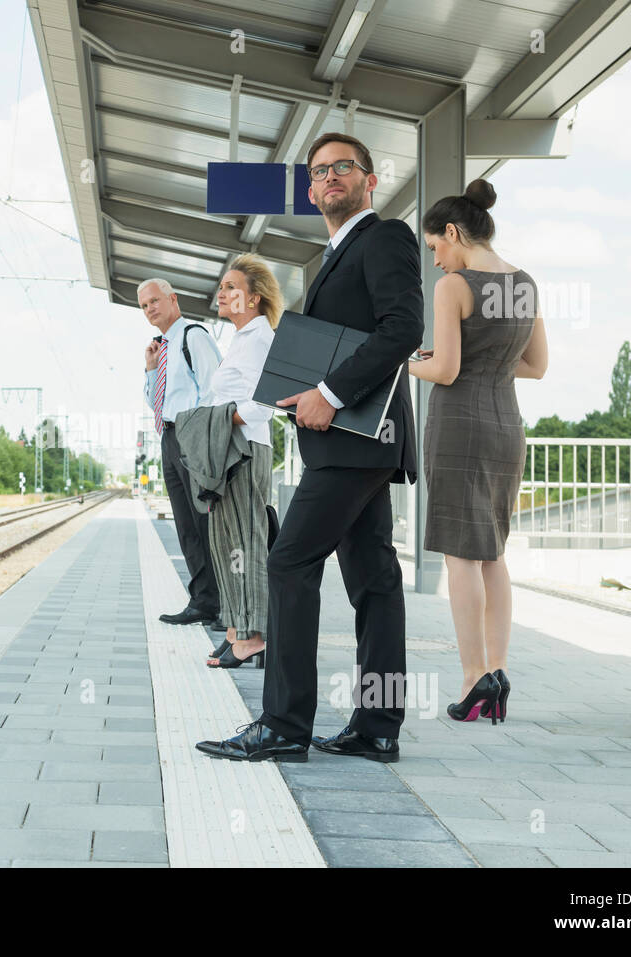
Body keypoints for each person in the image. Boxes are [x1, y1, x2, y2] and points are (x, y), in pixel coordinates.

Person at [197, 132, 422, 764]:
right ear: (310, 188)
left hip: (357, 440)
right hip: (354, 445)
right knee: (374, 582)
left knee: (289, 563)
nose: (328, 177)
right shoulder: (335, 253)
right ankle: (377, 727)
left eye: (342, 167)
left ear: (369, 180)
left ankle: (284, 723)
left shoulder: (385, 237)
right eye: (319, 171)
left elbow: (404, 328)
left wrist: (328, 391)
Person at [408, 178, 548, 725]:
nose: (436, 261)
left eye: (435, 248)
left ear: (452, 232)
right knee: (492, 552)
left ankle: (472, 679)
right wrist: (475, 360)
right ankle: (498, 670)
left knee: (459, 553)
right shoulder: (525, 284)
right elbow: (536, 366)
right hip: (506, 425)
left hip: (459, 424)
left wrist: (406, 363)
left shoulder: (455, 286)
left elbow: (444, 371)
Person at [192, 255, 280, 669]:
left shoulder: (260, 339)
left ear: (254, 298)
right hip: (229, 452)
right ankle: (236, 630)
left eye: (231, 287)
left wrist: (219, 421)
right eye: (222, 286)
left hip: (245, 450)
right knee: (227, 544)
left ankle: (253, 637)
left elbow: (265, 404)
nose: (222, 293)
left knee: (245, 543)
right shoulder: (243, 339)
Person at [140, 277, 224, 626]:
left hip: (193, 434)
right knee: (186, 524)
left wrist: (201, 438)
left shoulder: (194, 336)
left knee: (206, 521)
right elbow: (155, 402)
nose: (150, 309)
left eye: (154, 301)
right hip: (169, 436)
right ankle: (203, 600)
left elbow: (214, 389)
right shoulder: (161, 347)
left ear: (172, 299)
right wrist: (151, 370)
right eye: (144, 306)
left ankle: (225, 603)